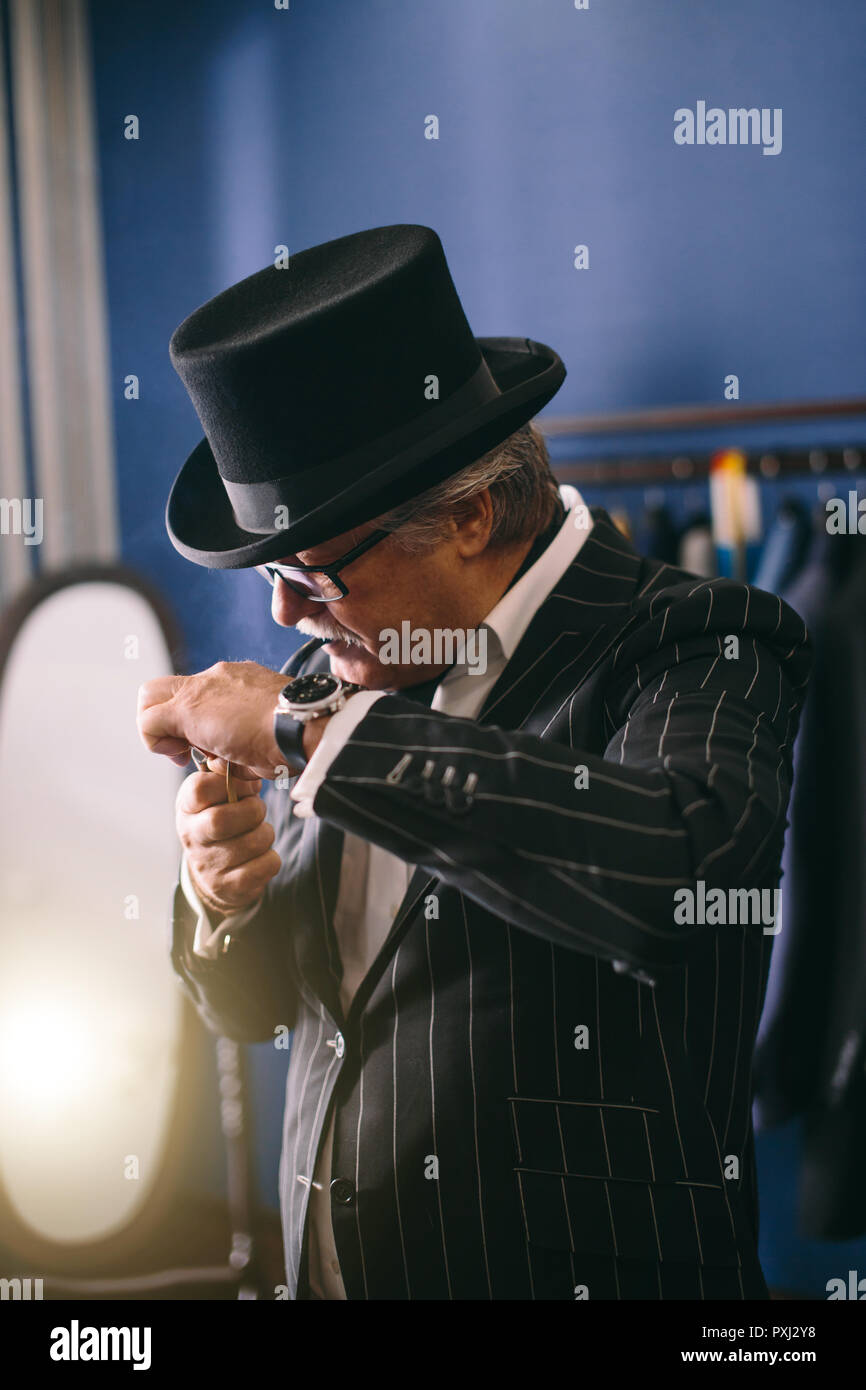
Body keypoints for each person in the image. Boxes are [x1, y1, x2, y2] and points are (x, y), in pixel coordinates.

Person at [137, 224, 812, 1300]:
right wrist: (225, 901)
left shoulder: (697, 639)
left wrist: (303, 735)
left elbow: (679, 879)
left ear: (466, 513)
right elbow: (270, 1014)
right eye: (271, 573)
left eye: (315, 576)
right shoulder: (335, 663)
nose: (280, 614)